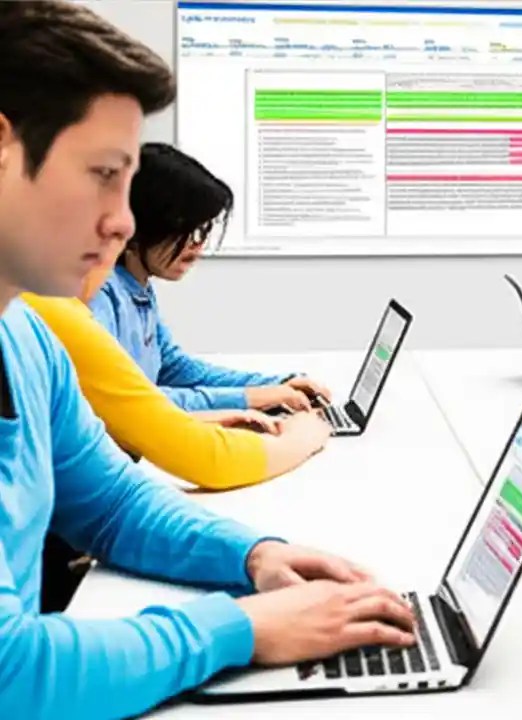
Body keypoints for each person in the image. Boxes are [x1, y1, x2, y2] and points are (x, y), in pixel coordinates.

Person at [0, 4, 413, 717]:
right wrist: (242, 628)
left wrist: (254, 558)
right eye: (102, 174)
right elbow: (12, 675)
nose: (125, 222)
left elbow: (113, 507)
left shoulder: (26, 341)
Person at [24, 233, 332, 490]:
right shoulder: (50, 308)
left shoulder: (40, 303)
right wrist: (305, 435)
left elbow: (103, 431)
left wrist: (199, 418)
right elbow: (209, 460)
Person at [88, 142, 329, 414]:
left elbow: (175, 368)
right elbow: (130, 401)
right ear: (137, 227)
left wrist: (277, 385)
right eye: (185, 229)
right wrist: (249, 399)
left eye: (201, 231)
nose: (197, 244)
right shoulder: (99, 296)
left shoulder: (136, 289)